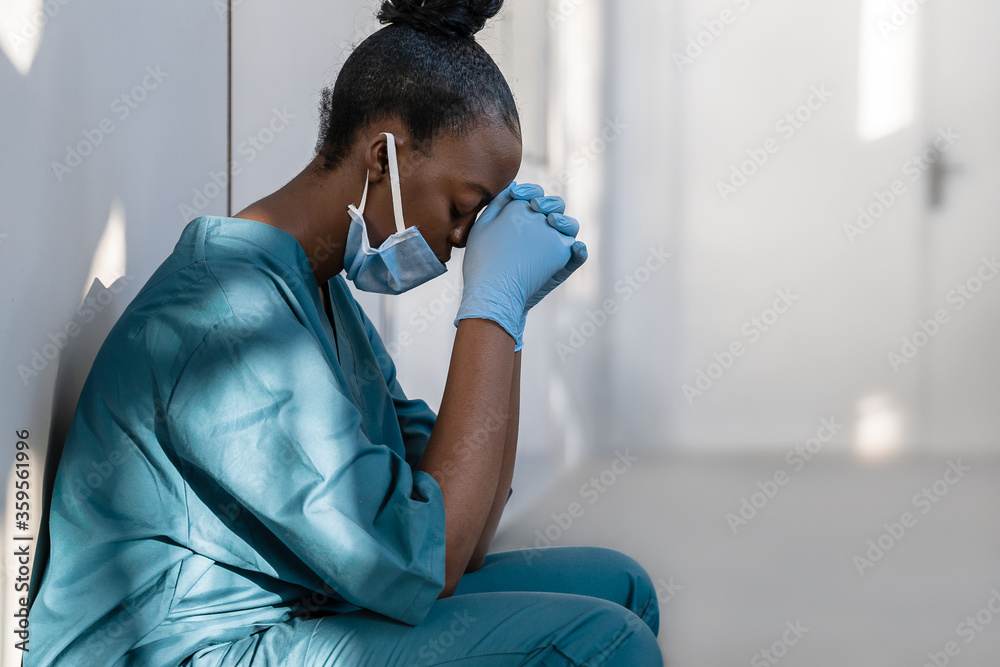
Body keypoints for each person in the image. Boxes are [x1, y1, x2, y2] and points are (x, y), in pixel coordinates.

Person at [26, 0, 663, 664]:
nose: (465, 243)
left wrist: (513, 314)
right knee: (604, 643)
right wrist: (490, 304)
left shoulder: (322, 294)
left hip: (294, 609)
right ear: (383, 155)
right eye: (464, 208)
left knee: (621, 587)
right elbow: (432, 557)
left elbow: (464, 533)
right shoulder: (228, 316)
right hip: (191, 645)